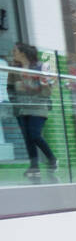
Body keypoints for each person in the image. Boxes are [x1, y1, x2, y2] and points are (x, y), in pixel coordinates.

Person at [6, 43, 57, 178]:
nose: (13, 53)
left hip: (38, 106)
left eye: (15, 50)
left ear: (23, 53)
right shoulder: (14, 68)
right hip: (21, 107)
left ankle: (52, 159)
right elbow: (10, 87)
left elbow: (47, 90)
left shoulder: (41, 67)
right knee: (27, 138)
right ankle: (34, 167)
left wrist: (28, 86)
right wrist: (15, 101)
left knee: (34, 134)